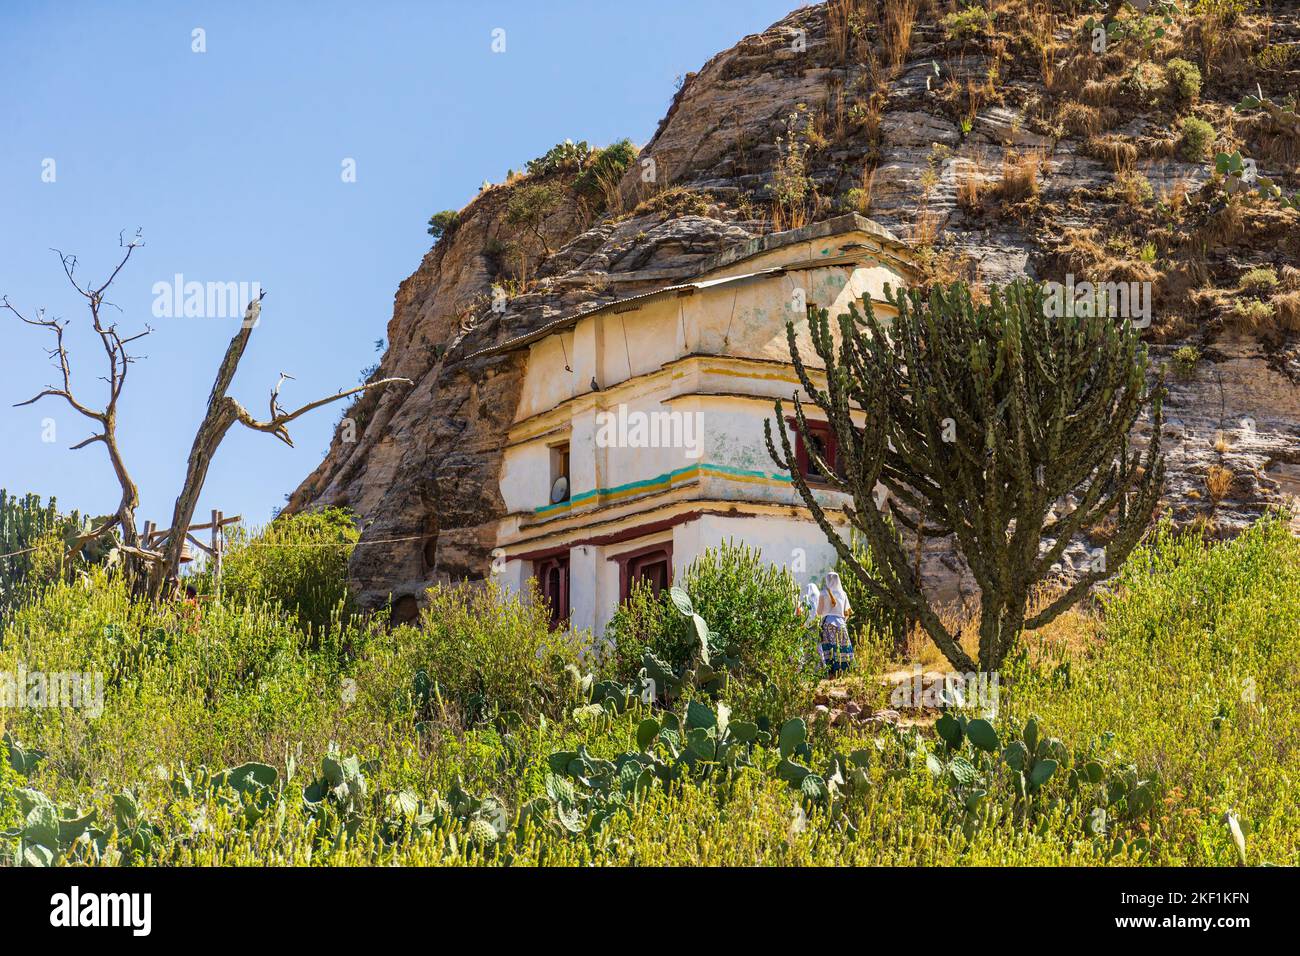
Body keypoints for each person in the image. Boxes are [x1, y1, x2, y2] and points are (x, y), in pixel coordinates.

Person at [816, 571, 854, 676]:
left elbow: (819, 612)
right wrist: (843, 621)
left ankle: (831, 672)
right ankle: (845, 670)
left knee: (829, 648)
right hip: (841, 624)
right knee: (843, 647)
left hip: (828, 623)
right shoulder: (843, 593)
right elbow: (847, 612)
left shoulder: (823, 593)